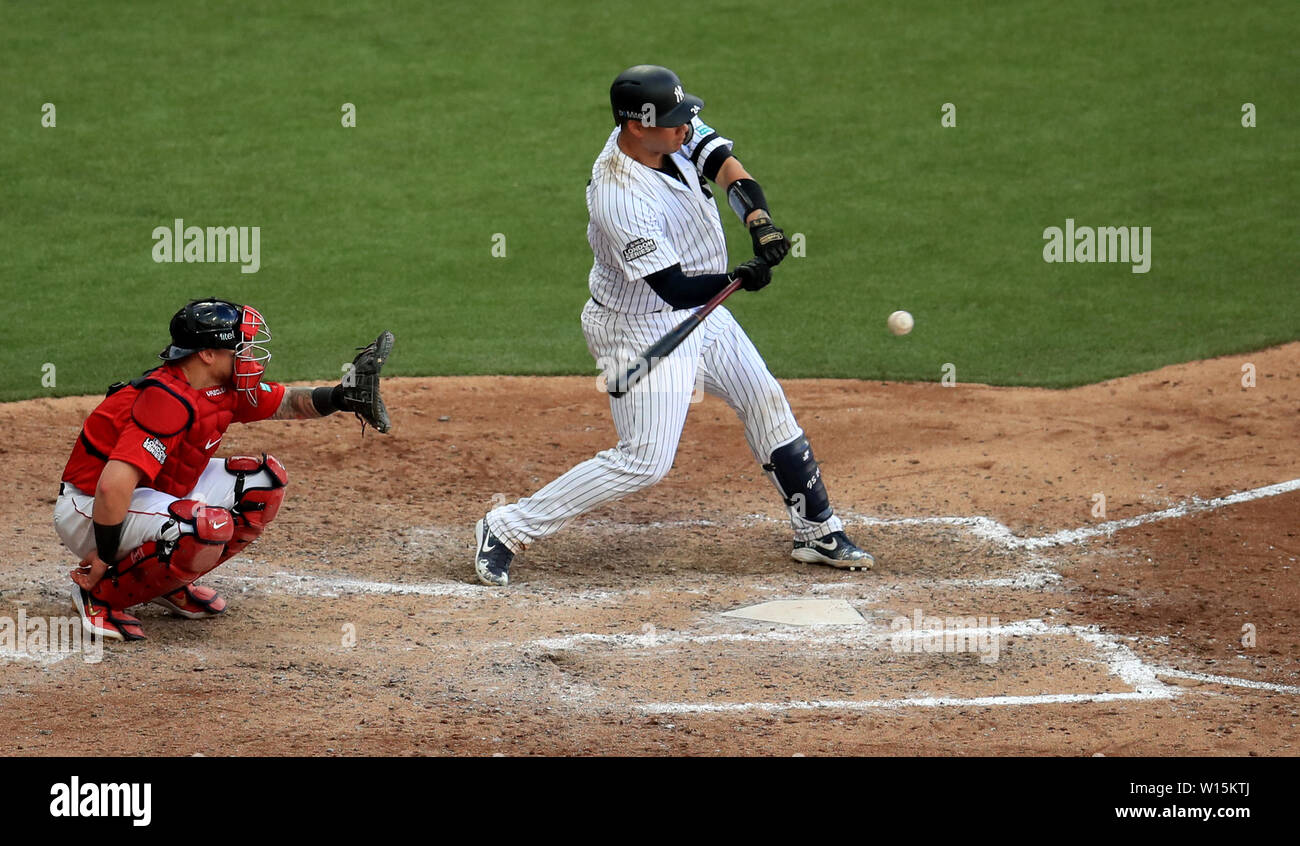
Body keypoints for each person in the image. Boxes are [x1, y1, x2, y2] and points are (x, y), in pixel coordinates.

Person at [473, 65, 872, 587]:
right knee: (644, 461)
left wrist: (759, 220)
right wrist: (739, 278)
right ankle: (505, 526)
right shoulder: (619, 193)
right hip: (638, 327)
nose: (686, 129)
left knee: (763, 398)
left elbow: (725, 166)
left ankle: (816, 529)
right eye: (675, 122)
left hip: (699, 315)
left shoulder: (670, 132)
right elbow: (674, 287)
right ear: (637, 126)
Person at [54, 297, 393, 641]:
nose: (247, 356)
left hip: (147, 494)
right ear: (207, 353)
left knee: (264, 483)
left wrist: (340, 397)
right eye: (238, 349)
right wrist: (105, 558)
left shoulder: (220, 388)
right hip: (90, 510)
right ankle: (99, 594)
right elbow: (112, 487)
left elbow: (288, 403)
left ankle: (165, 582)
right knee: (205, 527)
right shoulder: (165, 400)